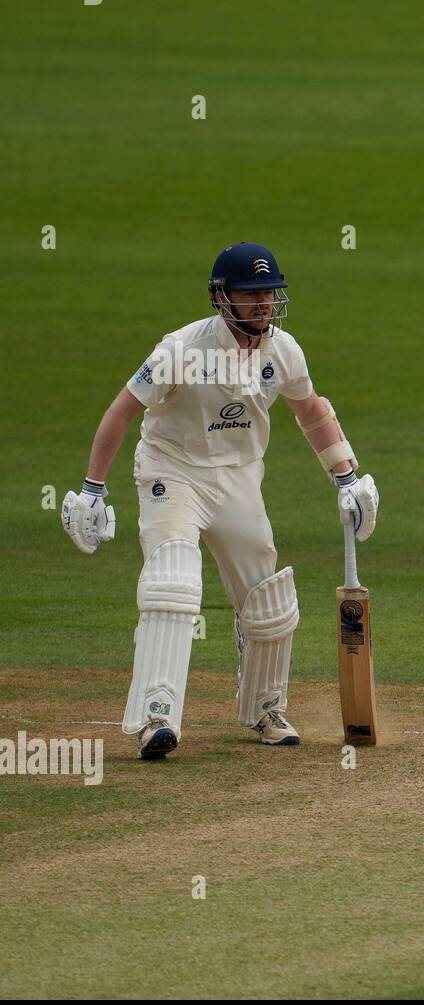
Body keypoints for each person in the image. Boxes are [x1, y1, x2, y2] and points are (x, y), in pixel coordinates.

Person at [61, 242, 380, 759]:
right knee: (173, 581)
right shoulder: (180, 350)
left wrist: (346, 476)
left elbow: (312, 412)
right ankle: (156, 716)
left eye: (269, 292)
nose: (263, 303)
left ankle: (265, 707)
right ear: (222, 297)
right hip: (173, 471)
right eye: (251, 293)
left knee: (269, 601)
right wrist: (93, 488)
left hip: (238, 479)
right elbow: (120, 412)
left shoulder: (285, 351)